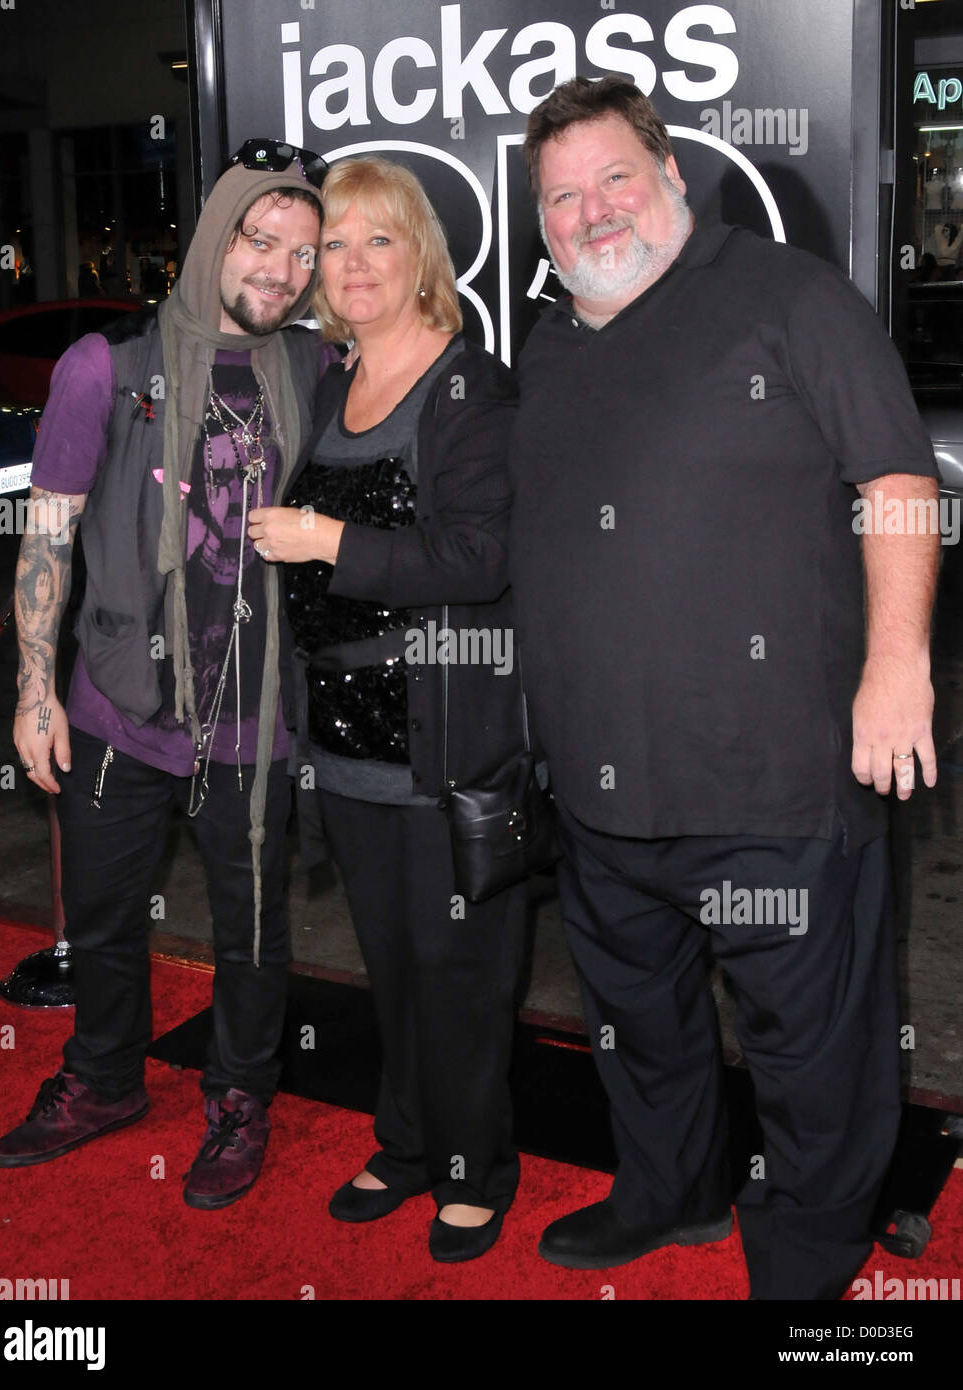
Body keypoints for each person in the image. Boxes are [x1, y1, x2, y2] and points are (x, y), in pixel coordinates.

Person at [507, 76, 941, 1300]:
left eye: (613, 180)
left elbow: (899, 479)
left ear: (672, 179)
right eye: (561, 197)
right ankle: (671, 1190)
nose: (592, 213)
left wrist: (896, 666)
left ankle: (803, 1261)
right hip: (599, 795)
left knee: (812, 1049)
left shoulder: (789, 299)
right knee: (639, 1027)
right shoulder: (548, 347)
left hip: (777, 784)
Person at [0, 139, 326, 1211]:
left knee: (255, 929)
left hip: (256, 713)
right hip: (116, 705)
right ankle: (103, 1080)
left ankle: (239, 1094)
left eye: (302, 252)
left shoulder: (319, 371)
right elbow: (49, 536)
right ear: (215, 235)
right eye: (259, 239)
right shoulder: (105, 366)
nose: (279, 268)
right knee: (100, 915)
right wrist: (34, 687)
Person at [247, 155, 528, 1262]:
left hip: (443, 733)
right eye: (338, 245)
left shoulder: (469, 386)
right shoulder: (331, 381)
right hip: (344, 738)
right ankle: (408, 1146)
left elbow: (482, 555)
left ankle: (474, 1167)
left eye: (379, 240)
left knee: (460, 970)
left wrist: (326, 540)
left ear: (421, 257)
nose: (354, 264)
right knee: (394, 965)